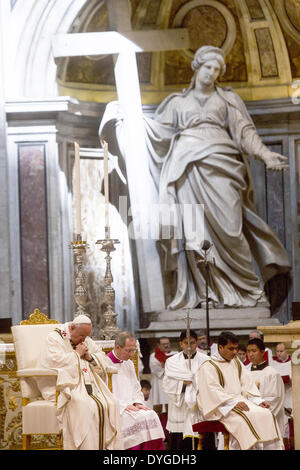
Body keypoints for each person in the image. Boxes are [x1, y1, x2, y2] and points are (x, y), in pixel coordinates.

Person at [100, 45, 290, 311]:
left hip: (222, 167)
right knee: (193, 234)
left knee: (231, 232)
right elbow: (157, 132)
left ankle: (247, 291)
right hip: (186, 171)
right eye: (207, 67)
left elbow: (245, 132)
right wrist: (128, 119)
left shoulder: (227, 100)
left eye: (216, 69)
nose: (211, 73)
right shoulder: (177, 103)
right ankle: (205, 294)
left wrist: (266, 155)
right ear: (197, 67)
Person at [37, 314, 123, 450]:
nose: (84, 340)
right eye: (81, 336)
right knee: (85, 405)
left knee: (112, 403)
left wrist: (89, 357)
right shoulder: (54, 338)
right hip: (64, 386)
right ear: (71, 328)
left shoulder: (84, 338)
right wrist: (76, 354)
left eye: (86, 336)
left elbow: (101, 356)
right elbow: (54, 362)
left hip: (87, 384)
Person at [197, 331, 284, 450]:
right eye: (231, 348)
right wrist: (233, 403)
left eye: (236, 348)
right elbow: (212, 391)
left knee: (265, 414)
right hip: (221, 406)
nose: (235, 352)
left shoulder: (236, 362)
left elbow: (247, 384)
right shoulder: (208, 366)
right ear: (220, 347)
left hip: (239, 401)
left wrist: (258, 400)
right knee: (245, 418)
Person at [106, 331, 165, 450]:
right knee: (137, 420)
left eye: (133, 350)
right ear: (118, 347)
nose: (132, 354)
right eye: (128, 350)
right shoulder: (104, 363)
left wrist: (138, 402)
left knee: (151, 414)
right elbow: (104, 392)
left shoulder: (129, 364)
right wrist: (123, 406)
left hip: (132, 405)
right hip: (117, 408)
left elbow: (136, 387)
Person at [162, 329, 211, 450]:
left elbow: (211, 382)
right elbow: (167, 384)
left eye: (193, 343)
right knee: (181, 445)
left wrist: (196, 383)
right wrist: (183, 384)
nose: (189, 347)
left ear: (197, 343)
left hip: (199, 407)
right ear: (181, 344)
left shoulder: (206, 360)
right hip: (180, 408)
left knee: (202, 443)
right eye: (186, 343)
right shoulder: (172, 361)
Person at [246, 338, 285, 438]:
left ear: (262, 352)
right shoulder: (244, 372)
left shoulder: (272, 374)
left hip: (265, 421)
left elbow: (275, 400)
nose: (251, 354)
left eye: (254, 351)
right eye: (248, 351)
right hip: (247, 418)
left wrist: (257, 414)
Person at [271, 342, 293, 448]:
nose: (279, 354)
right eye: (277, 351)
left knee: (292, 426)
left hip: (290, 396)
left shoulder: (294, 363)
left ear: (287, 351)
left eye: (281, 351)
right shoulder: (272, 364)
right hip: (280, 398)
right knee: (282, 426)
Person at [149, 337, 175, 413]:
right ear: (158, 345)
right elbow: (158, 371)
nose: (166, 346)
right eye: (164, 344)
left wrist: (165, 365)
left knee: (171, 406)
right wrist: (170, 367)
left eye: (167, 343)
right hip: (158, 383)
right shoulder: (153, 356)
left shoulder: (175, 354)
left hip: (171, 383)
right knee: (158, 405)